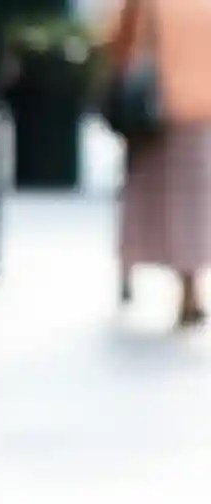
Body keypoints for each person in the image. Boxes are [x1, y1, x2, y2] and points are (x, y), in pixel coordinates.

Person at [110, 0, 211, 327]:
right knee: (191, 203)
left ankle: (128, 269)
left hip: (153, 110)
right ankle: (189, 287)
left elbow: (119, 44)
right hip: (199, 111)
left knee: (143, 194)